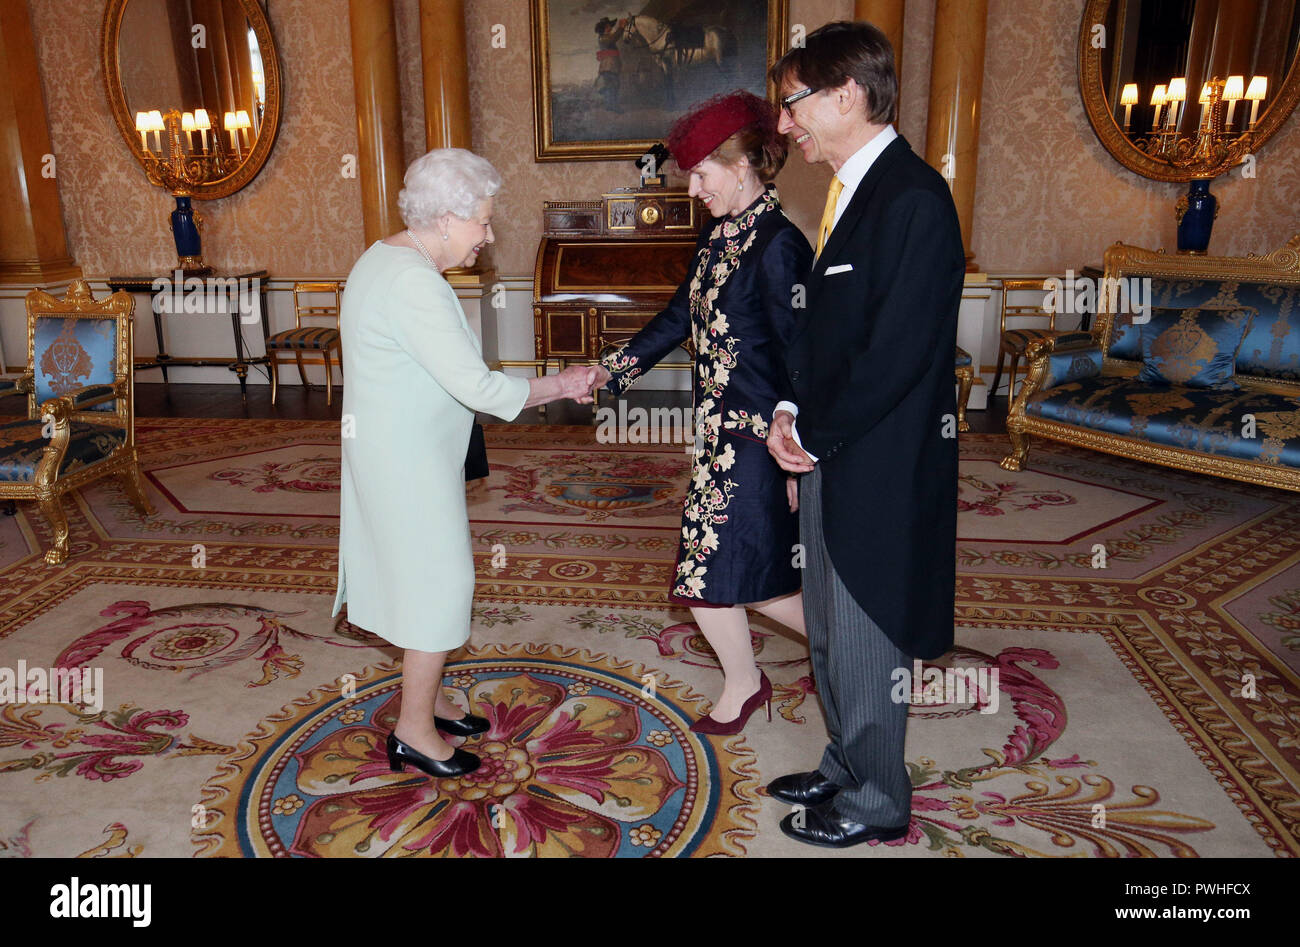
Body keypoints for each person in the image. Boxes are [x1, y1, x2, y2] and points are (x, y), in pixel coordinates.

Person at [332, 148, 600, 779]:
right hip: (405, 460)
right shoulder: (413, 281)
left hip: (391, 447)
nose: (488, 233)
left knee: (410, 574)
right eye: (482, 219)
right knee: (438, 584)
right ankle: (415, 731)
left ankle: (433, 699)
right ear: (447, 217)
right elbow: (479, 389)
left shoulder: (384, 256)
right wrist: (561, 384)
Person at [764, 22, 965, 847]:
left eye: (791, 103)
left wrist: (813, 433)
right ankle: (847, 760)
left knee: (866, 624)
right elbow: (830, 333)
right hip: (828, 448)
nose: (784, 124)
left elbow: (898, 355)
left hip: (875, 460)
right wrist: (789, 413)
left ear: (845, 95)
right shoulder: (849, 191)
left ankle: (880, 795)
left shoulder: (914, 198)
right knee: (830, 624)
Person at [590, 90, 812, 735]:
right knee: (736, 568)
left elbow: (804, 357)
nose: (692, 188)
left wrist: (799, 459)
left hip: (763, 441)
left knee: (731, 571)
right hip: (716, 436)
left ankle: (851, 651)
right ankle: (786, 668)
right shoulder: (720, 237)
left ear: (741, 164)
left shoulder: (778, 245)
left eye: (701, 172)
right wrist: (612, 371)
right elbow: (677, 317)